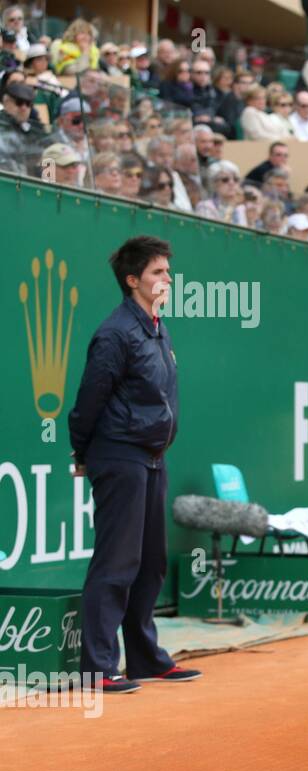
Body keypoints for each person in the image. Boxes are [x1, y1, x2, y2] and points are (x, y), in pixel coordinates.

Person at [67, 236, 201, 693]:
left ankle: (145, 658)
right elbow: (89, 399)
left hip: (152, 458)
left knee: (150, 563)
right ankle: (97, 667)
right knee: (117, 561)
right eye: (158, 272)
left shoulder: (157, 327)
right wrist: (82, 452)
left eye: (167, 270)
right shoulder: (115, 333)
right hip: (119, 455)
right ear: (132, 281)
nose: (167, 278)